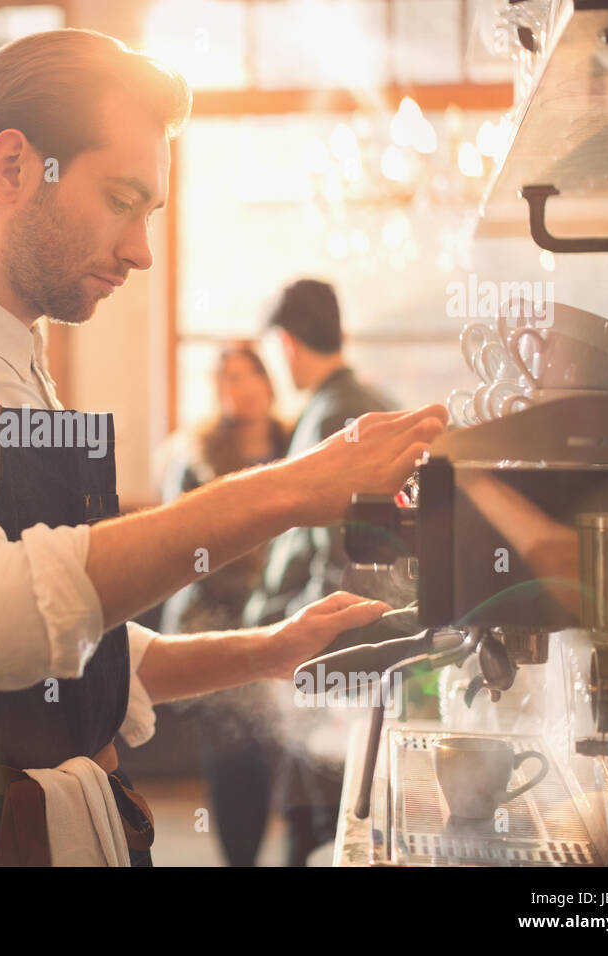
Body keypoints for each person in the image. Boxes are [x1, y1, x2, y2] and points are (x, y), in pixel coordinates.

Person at [0, 29, 447, 867]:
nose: (141, 250)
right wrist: (291, 490)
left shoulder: (24, 366)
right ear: (12, 165)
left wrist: (270, 649)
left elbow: (73, 653)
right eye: (121, 200)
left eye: (150, 212)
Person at [243, 278, 399, 866]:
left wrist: (296, 645)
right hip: (357, 655)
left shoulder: (333, 415)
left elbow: (344, 562)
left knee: (315, 824)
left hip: (329, 659)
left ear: (284, 344)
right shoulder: (371, 399)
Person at [157, 343, 288, 866]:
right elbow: (177, 545)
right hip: (215, 629)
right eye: (225, 379)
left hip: (283, 623)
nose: (236, 388)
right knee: (230, 760)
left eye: (245, 376)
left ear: (267, 381)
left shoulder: (296, 443)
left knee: (270, 759)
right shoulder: (199, 457)